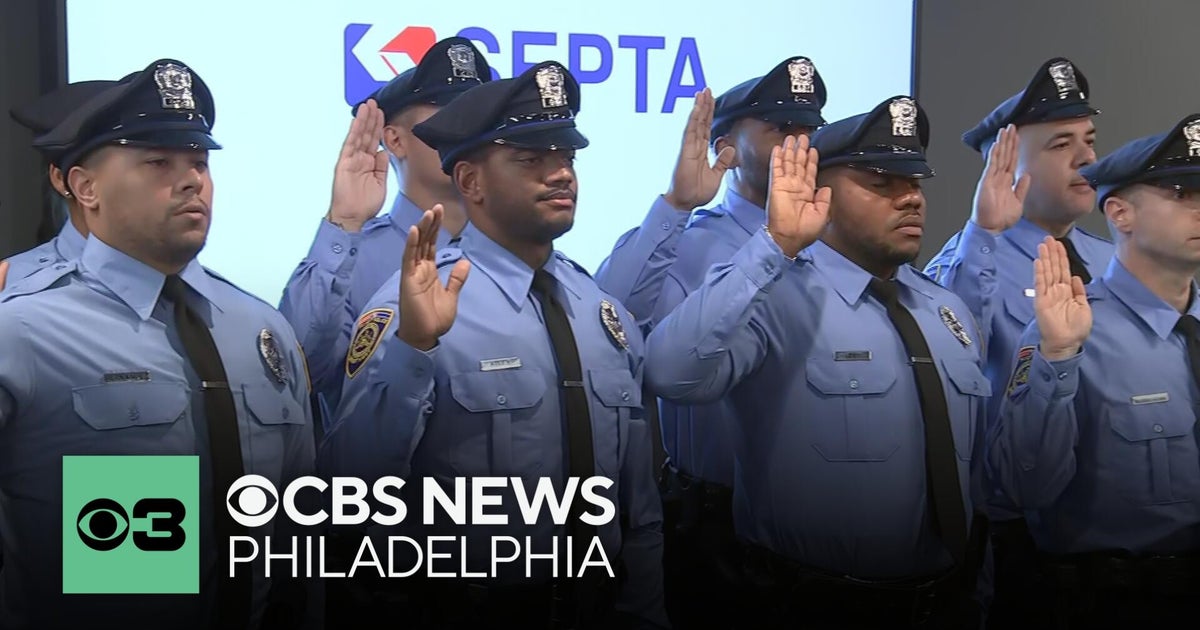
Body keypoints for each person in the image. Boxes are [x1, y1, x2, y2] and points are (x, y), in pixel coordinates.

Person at [319, 60, 667, 629]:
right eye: (531, 159)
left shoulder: (601, 312)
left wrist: (647, 611)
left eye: (566, 156)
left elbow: (637, 505)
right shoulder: (413, 306)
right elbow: (351, 490)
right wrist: (412, 347)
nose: (560, 174)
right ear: (471, 182)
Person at [646, 97, 988, 628]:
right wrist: (774, 245)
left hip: (947, 602)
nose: (911, 199)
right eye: (882, 183)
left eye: (915, 181)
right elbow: (670, 373)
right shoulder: (773, 294)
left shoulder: (947, 310)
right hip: (813, 603)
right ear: (817, 193)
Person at [0, 59, 318, 629]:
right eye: (157, 162)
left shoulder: (260, 327)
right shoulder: (22, 326)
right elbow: (127, 573)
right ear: (83, 185)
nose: (192, 180)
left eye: (199, 161)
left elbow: (299, 518)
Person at [921, 57, 1114, 627]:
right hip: (1019, 543)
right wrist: (984, 236)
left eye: (1089, 140)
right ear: (1005, 167)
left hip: (1111, 535)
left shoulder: (1111, 262)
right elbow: (952, 364)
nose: (1087, 158)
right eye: (1060, 144)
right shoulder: (966, 264)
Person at [989, 114, 1200, 627]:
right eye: (1182, 193)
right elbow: (1021, 488)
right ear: (1121, 213)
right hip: (1117, 603)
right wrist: (1058, 359)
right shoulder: (1070, 328)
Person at [278, 37, 491, 429]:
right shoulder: (352, 257)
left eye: (479, 116)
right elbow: (294, 373)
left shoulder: (516, 255)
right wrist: (343, 222)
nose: (470, 130)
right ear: (394, 139)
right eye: (452, 113)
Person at [1, 79, 118, 292]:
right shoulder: (14, 287)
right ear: (72, 181)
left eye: (198, 163)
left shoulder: (191, 287)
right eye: (156, 164)